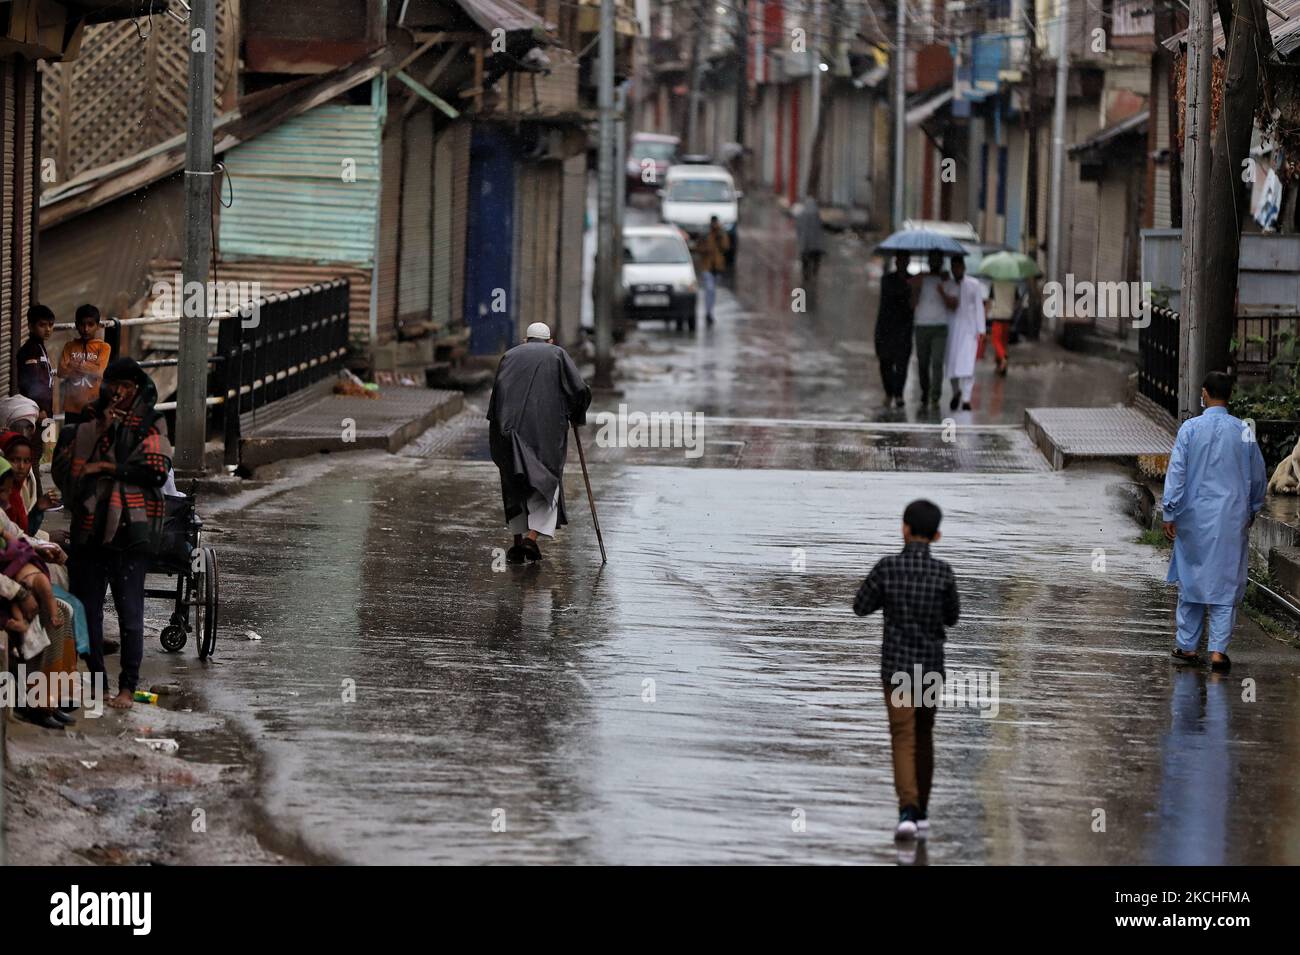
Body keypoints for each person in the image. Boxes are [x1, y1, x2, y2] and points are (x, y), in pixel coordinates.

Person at [55, 357, 172, 709]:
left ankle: (127, 686)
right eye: (113, 385)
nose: (118, 393)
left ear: (136, 389)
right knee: (87, 610)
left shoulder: (153, 422)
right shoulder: (88, 422)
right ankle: (97, 683)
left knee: (130, 611)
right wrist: (99, 433)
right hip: (89, 533)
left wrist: (107, 466)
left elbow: (155, 470)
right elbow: (68, 474)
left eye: (126, 386)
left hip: (132, 532)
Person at [853, 499, 960, 841]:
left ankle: (907, 811)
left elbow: (860, 607)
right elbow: (952, 617)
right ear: (938, 535)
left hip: (896, 668)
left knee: (902, 736)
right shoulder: (943, 573)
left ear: (904, 529)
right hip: (930, 667)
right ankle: (923, 812)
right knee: (924, 736)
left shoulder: (887, 569)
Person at [1161, 371, 1267, 672]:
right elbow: (1258, 475)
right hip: (1231, 518)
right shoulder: (1244, 430)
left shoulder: (1190, 429)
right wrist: (1253, 508)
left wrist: (1170, 510)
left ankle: (1187, 646)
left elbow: (1177, 472)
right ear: (1229, 395)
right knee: (1226, 583)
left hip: (1193, 517)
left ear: (1204, 394)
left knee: (1192, 580)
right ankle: (1219, 651)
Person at [487, 322, 591, 564]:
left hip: (509, 429)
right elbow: (578, 390)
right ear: (550, 341)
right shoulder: (558, 355)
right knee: (546, 481)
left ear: (525, 340)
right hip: (546, 431)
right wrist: (576, 412)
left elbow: (497, 395)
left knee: (514, 480)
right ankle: (531, 539)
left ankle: (516, 541)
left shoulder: (509, 355)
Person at [911, 252, 956, 408]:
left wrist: (942, 292)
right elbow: (912, 302)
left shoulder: (946, 280)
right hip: (922, 325)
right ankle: (925, 391)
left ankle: (935, 396)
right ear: (929, 261)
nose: (935, 263)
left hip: (939, 327)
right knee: (923, 363)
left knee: (937, 362)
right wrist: (917, 287)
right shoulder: (920, 278)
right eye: (933, 260)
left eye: (938, 260)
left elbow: (953, 304)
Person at [943, 255, 988, 411]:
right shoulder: (947, 286)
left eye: (959, 267)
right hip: (952, 331)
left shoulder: (974, 285)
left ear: (963, 268)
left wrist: (981, 330)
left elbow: (979, 307)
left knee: (968, 365)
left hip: (969, 331)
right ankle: (956, 392)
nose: (956, 270)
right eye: (954, 267)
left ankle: (967, 399)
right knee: (952, 364)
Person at [57, 304, 113, 423]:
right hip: (72, 406)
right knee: (71, 438)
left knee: (89, 438)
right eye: (82, 324)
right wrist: (90, 367)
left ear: (97, 326)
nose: (86, 329)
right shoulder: (69, 346)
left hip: (93, 405)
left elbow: (100, 372)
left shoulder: (104, 347)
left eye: (90, 324)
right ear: (77, 325)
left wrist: (75, 365)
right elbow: (61, 372)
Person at [875, 252, 913, 408]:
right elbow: (891, 298)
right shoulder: (887, 280)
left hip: (904, 328)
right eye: (900, 261)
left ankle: (899, 394)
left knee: (902, 363)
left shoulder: (914, 281)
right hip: (886, 327)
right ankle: (889, 392)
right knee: (885, 362)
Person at [18, 304, 56, 419]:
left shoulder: (39, 346)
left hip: (45, 410)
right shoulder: (31, 350)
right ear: (30, 326)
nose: (48, 329)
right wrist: (40, 408)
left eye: (50, 325)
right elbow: (31, 382)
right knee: (41, 437)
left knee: (48, 437)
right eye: (42, 325)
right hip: (38, 412)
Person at [693, 216, 731, 326]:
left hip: (717, 267)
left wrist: (720, 236)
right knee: (709, 289)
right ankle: (708, 312)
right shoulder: (705, 234)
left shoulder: (721, 234)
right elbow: (698, 248)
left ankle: (710, 311)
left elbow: (726, 247)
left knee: (712, 291)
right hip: (707, 267)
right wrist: (705, 249)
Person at [980, 279, 1013, 376]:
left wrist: (984, 316)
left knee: (996, 340)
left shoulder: (995, 285)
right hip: (1008, 316)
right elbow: (1016, 301)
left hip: (998, 316)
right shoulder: (1012, 285)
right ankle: (1000, 366)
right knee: (1003, 342)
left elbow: (989, 302)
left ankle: (1003, 358)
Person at [795, 196, 826, 284]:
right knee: (815, 259)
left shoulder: (801, 215)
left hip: (805, 243)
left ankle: (806, 275)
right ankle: (814, 273)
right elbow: (821, 228)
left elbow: (798, 228)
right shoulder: (817, 214)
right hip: (816, 244)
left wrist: (800, 238)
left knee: (805, 259)